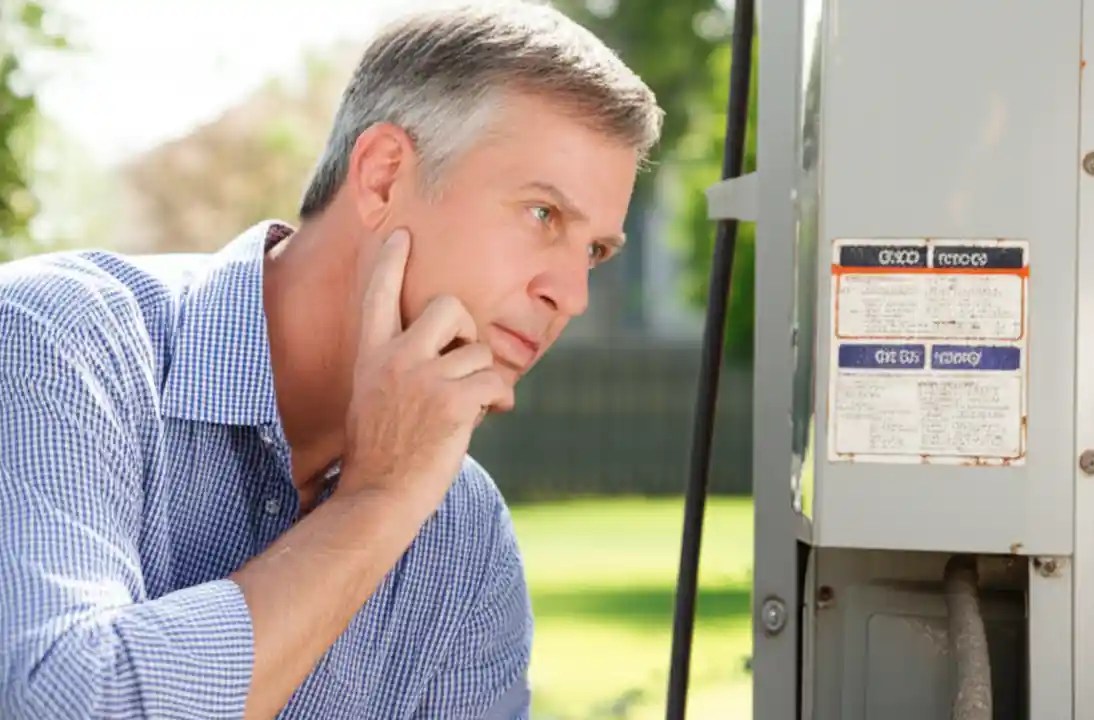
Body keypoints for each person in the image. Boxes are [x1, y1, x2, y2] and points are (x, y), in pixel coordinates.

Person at [0, 2, 662, 718]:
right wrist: (375, 506)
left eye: (593, 251)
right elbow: (58, 702)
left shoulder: (465, 533)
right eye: (543, 215)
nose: (571, 296)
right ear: (382, 177)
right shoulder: (59, 344)